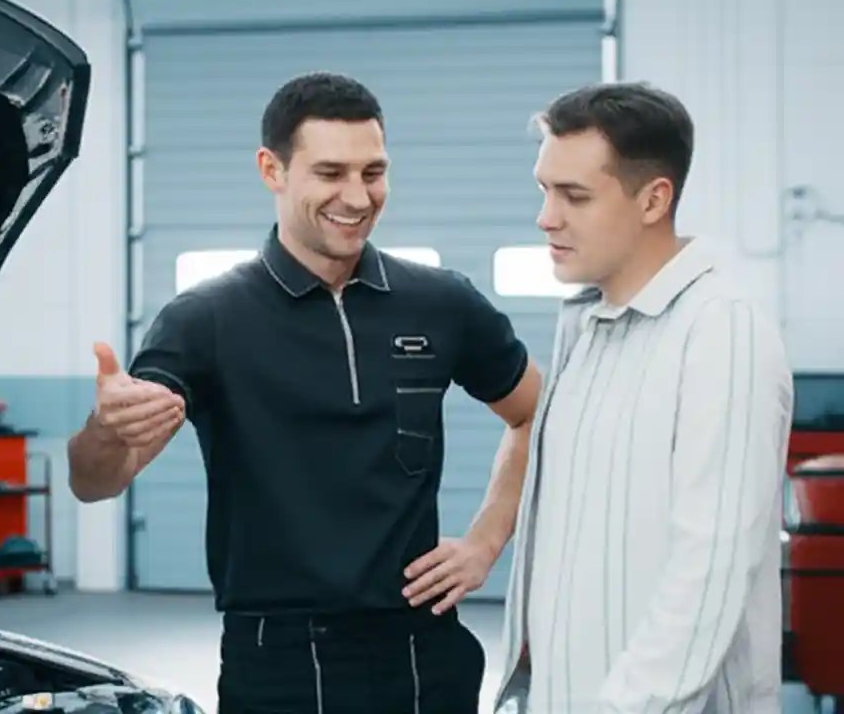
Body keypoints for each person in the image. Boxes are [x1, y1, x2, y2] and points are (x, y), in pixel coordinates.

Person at [68, 71, 542, 714]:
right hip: (279, 663)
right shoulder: (205, 319)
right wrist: (104, 429)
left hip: (423, 652)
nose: (357, 196)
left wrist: (485, 542)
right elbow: (97, 480)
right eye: (330, 173)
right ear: (273, 169)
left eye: (373, 172)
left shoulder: (441, 302)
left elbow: (535, 417)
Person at [494, 82, 794, 713]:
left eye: (574, 196)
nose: (547, 217)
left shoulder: (721, 333)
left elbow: (707, 576)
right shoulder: (589, 331)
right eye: (544, 190)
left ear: (654, 198)